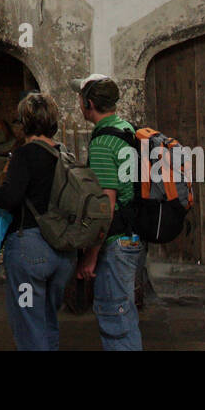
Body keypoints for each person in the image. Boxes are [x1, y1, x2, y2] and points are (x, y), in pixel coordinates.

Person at [0, 91, 77, 350]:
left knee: (28, 327)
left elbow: (11, 197)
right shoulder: (65, 155)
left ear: (25, 122)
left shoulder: (24, 155)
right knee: (47, 321)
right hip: (64, 254)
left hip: (31, 251)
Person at [72, 73, 144, 351]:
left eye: (80, 99)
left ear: (88, 103)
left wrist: (90, 257)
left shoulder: (102, 143)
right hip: (133, 234)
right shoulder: (126, 129)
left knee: (116, 320)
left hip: (115, 241)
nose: (79, 104)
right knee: (124, 315)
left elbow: (106, 205)